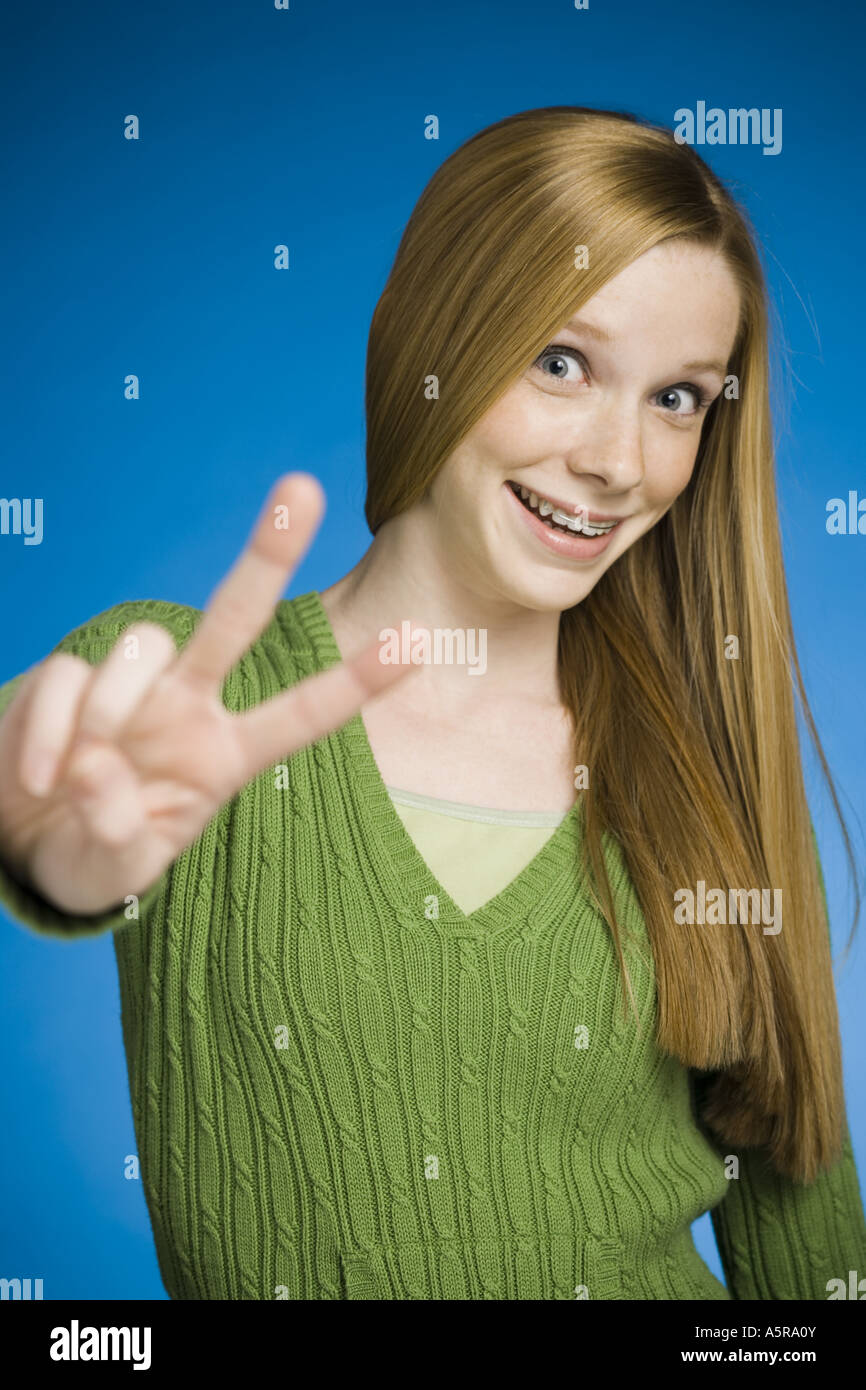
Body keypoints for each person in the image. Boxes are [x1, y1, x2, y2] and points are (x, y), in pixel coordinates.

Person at [0, 105, 864, 1300]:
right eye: (561, 363)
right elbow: (42, 791)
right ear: (431, 338)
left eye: (676, 398)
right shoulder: (183, 696)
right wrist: (51, 849)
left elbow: (813, 1272)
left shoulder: (711, 777)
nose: (619, 461)